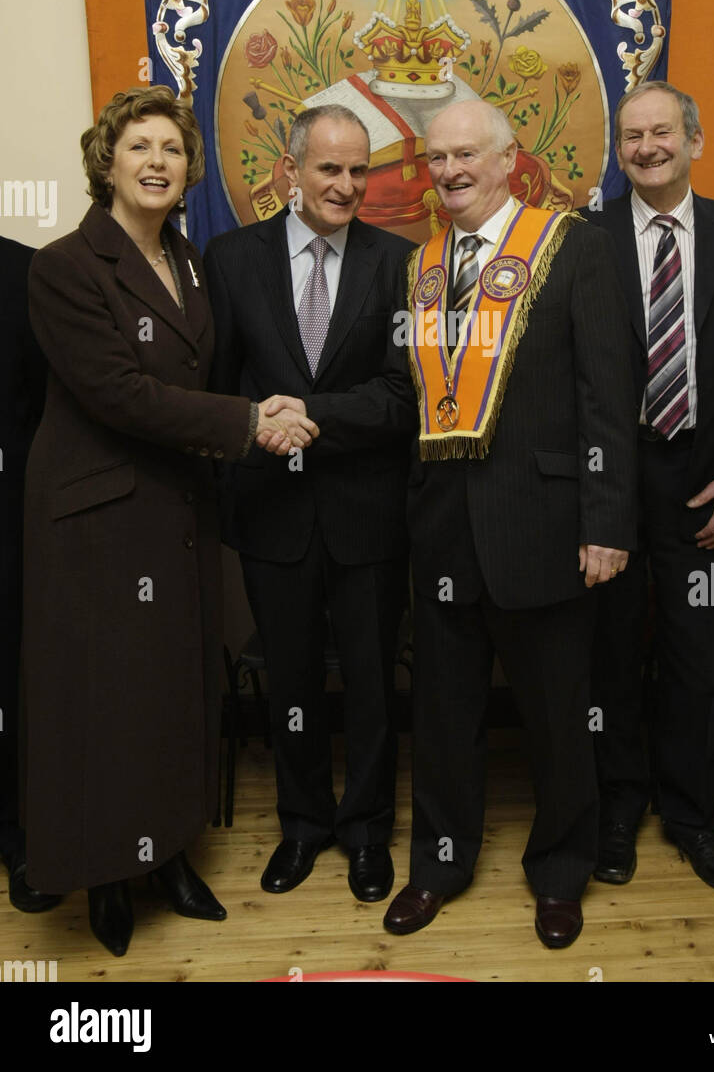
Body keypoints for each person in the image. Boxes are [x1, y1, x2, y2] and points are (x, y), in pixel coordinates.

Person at [22, 85, 315, 957]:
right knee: (104, 702)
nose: (157, 163)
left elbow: (191, 378)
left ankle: (170, 859)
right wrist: (250, 421)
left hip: (179, 509)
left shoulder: (190, 261)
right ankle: (109, 875)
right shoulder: (67, 267)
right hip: (98, 519)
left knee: (177, 692)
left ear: (191, 170)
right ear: (105, 161)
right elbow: (119, 394)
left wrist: (258, 415)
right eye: (139, 146)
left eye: (172, 150)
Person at [383, 98, 637, 949]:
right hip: (442, 532)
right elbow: (411, 399)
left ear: (506, 160)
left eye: (465, 155)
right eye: (436, 158)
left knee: (561, 717)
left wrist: (607, 521)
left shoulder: (574, 248)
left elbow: (609, 399)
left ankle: (562, 873)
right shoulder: (418, 268)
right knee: (444, 718)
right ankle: (439, 867)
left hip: (546, 525)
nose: (449, 171)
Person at [205, 105, 415, 905]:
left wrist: (308, 417)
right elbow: (219, 389)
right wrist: (257, 437)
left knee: (369, 681)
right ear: (291, 170)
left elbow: (404, 395)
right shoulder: (229, 260)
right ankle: (302, 825)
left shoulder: (399, 262)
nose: (347, 186)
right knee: (289, 680)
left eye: (359, 170)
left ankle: (366, 833)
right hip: (272, 514)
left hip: (368, 513)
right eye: (329, 169)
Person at [586, 82, 714, 891]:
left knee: (704, 663)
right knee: (611, 657)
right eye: (632, 137)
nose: (647, 147)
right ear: (618, 149)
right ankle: (618, 808)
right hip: (613, 482)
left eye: (661, 132)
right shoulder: (582, 238)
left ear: (693, 140)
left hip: (709, 482)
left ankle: (693, 817)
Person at [0, 235, 58, 913]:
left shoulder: (27, 270)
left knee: (12, 676)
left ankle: (17, 834)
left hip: (12, 518)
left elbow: (53, 405)